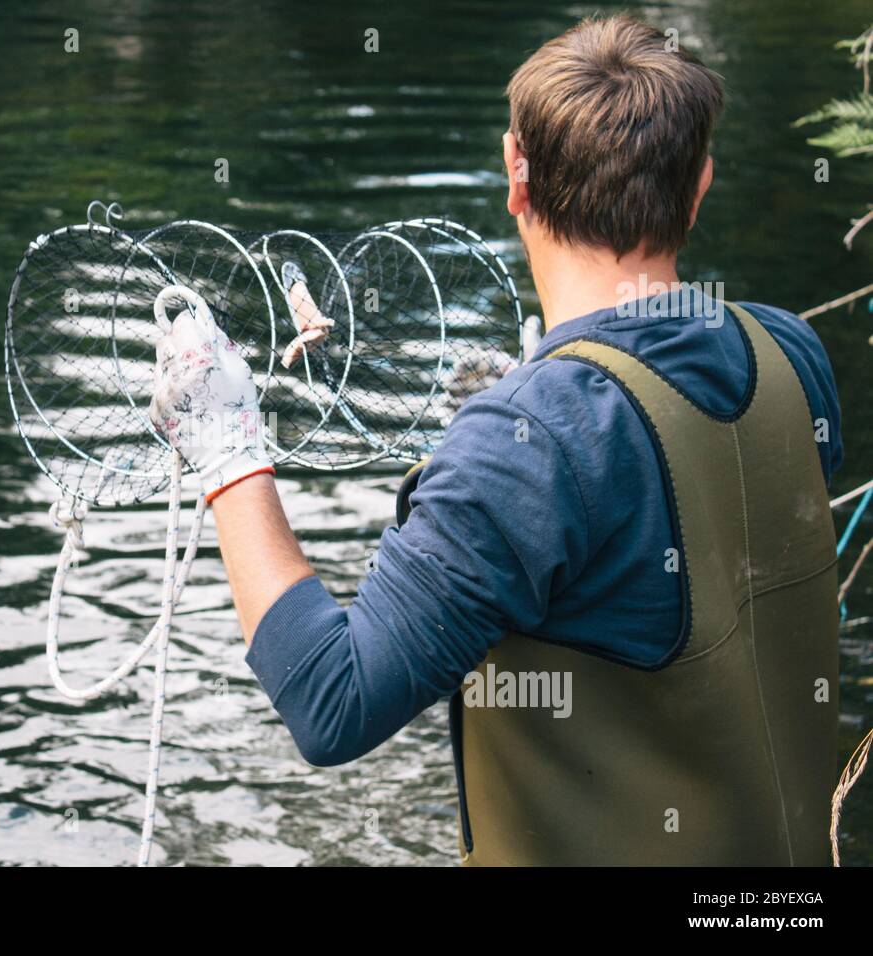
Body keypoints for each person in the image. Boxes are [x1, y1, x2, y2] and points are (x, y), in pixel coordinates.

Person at [148, 14, 843, 865]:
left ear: (516, 173)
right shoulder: (791, 356)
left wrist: (230, 457)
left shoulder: (534, 443)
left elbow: (332, 705)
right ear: (700, 183)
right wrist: (548, 398)